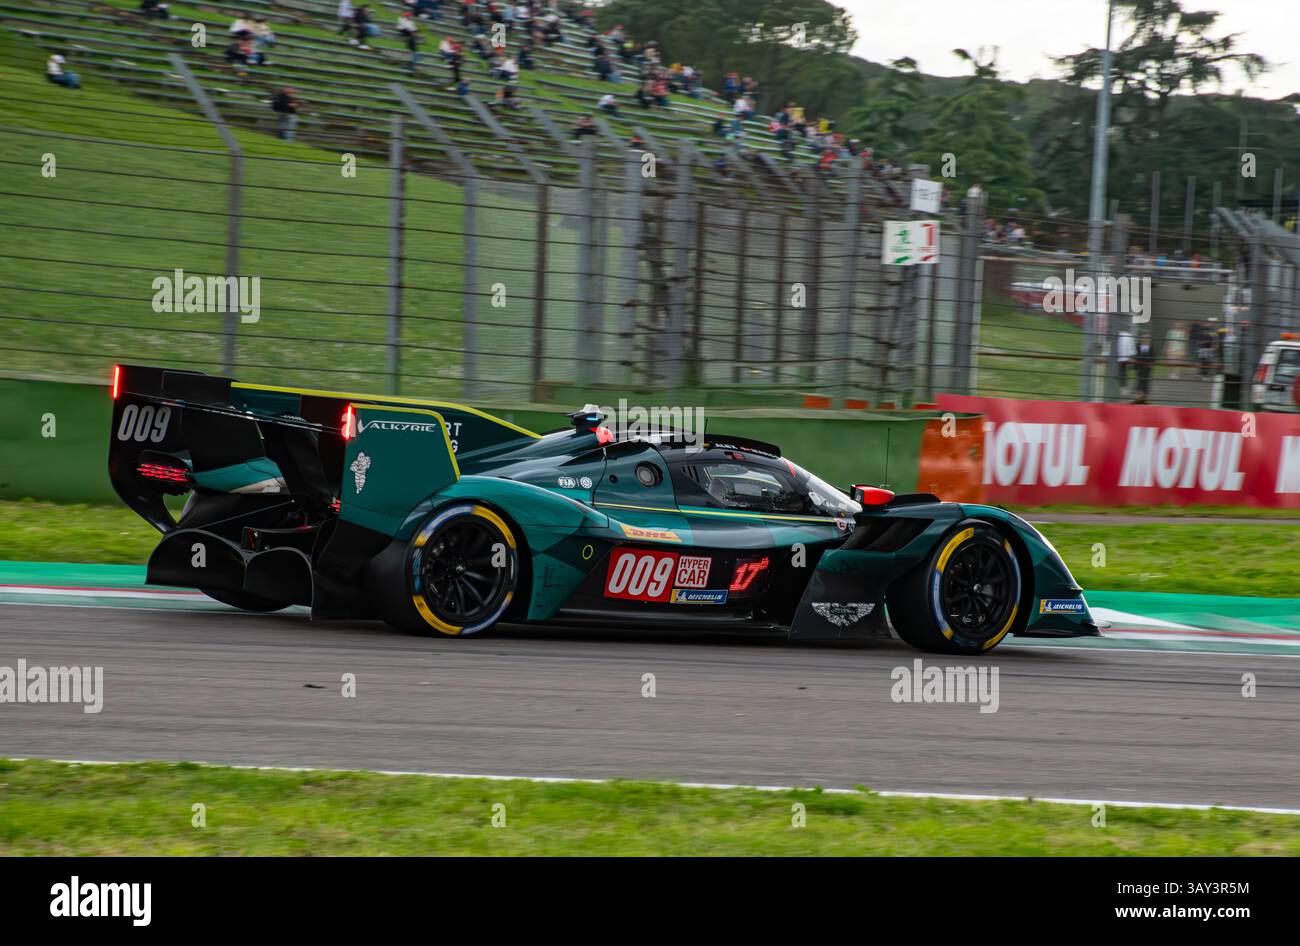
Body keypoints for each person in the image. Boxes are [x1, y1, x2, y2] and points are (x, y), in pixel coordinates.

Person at [1135, 333, 1155, 400]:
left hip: (1147, 367)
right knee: (1140, 379)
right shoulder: (1138, 345)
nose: (1146, 339)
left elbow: (1153, 356)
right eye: (1144, 338)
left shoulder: (1151, 346)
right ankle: (1139, 393)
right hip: (1140, 366)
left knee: (1146, 380)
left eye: (1147, 338)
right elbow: (1136, 355)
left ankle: (1145, 393)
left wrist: (1151, 363)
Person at [1116, 327, 1136, 393]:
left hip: (1121, 358)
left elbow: (1131, 348)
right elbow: (1132, 349)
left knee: (1122, 373)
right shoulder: (1128, 336)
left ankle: (1122, 388)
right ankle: (1121, 388)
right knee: (1122, 373)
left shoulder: (1127, 336)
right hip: (1121, 359)